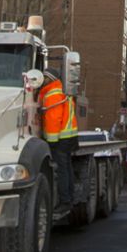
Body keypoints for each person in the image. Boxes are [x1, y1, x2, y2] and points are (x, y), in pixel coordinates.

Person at [39, 68, 78, 212]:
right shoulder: (61, 91)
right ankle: (69, 198)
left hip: (60, 139)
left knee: (62, 170)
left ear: (50, 79)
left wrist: (51, 141)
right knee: (67, 169)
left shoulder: (53, 94)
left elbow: (53, 120)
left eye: (45, 78)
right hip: (67, 137)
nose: (42, 80)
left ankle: (65, 201)